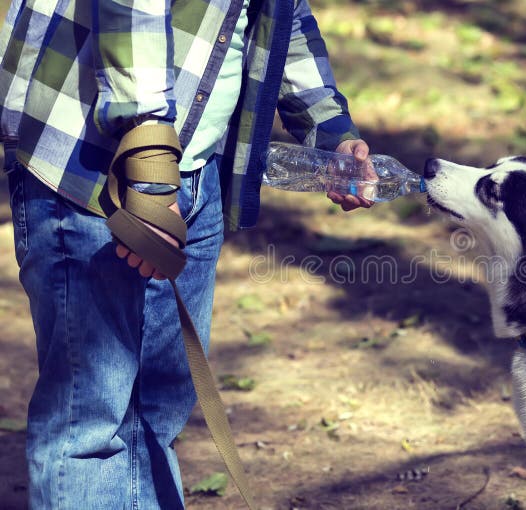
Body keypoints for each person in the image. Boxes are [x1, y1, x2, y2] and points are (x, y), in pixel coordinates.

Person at [0, 0, 369, 506]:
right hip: (94, 162)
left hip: (197, 169)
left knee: (157, 410)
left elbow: (283, 14)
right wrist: (149, 163)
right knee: (90, 423)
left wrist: (329, 130)